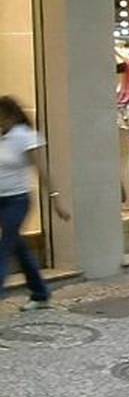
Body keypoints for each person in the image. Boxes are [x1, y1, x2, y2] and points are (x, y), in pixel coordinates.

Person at [0, 96, 70, 309]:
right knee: (18, 246)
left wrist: (56, 199)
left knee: (5, 245)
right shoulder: (2, 138)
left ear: (10, 114)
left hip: (17, 200)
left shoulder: (26, 136)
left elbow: (43, 170)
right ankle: (40, 293)